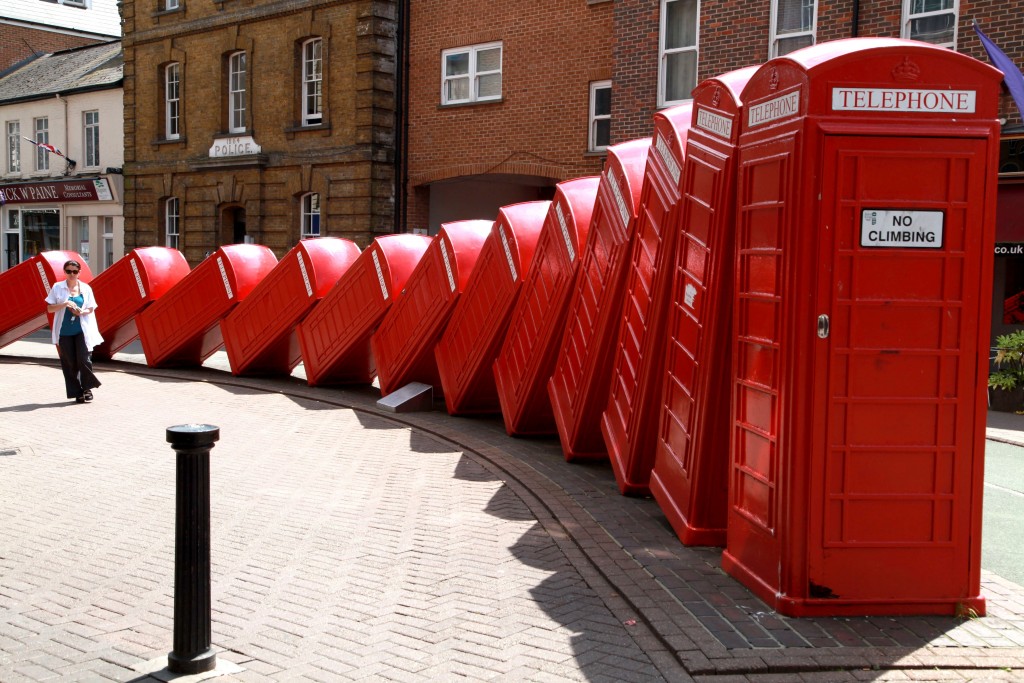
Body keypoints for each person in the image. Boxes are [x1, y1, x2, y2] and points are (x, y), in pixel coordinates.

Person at [44, 260, 104, 403]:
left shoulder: (86, 288)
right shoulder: (58, 287)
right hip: (64, 331)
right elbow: (49, 308)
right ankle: (77, 392)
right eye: (69, 271)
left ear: (79, 273)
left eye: (75, 271)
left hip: (82, 330)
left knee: (84, 359)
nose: (72, 274)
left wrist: (82, 311)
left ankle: (87, 388)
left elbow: (91, 307)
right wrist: (64, 304)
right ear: (65, 272)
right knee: (69, 363)